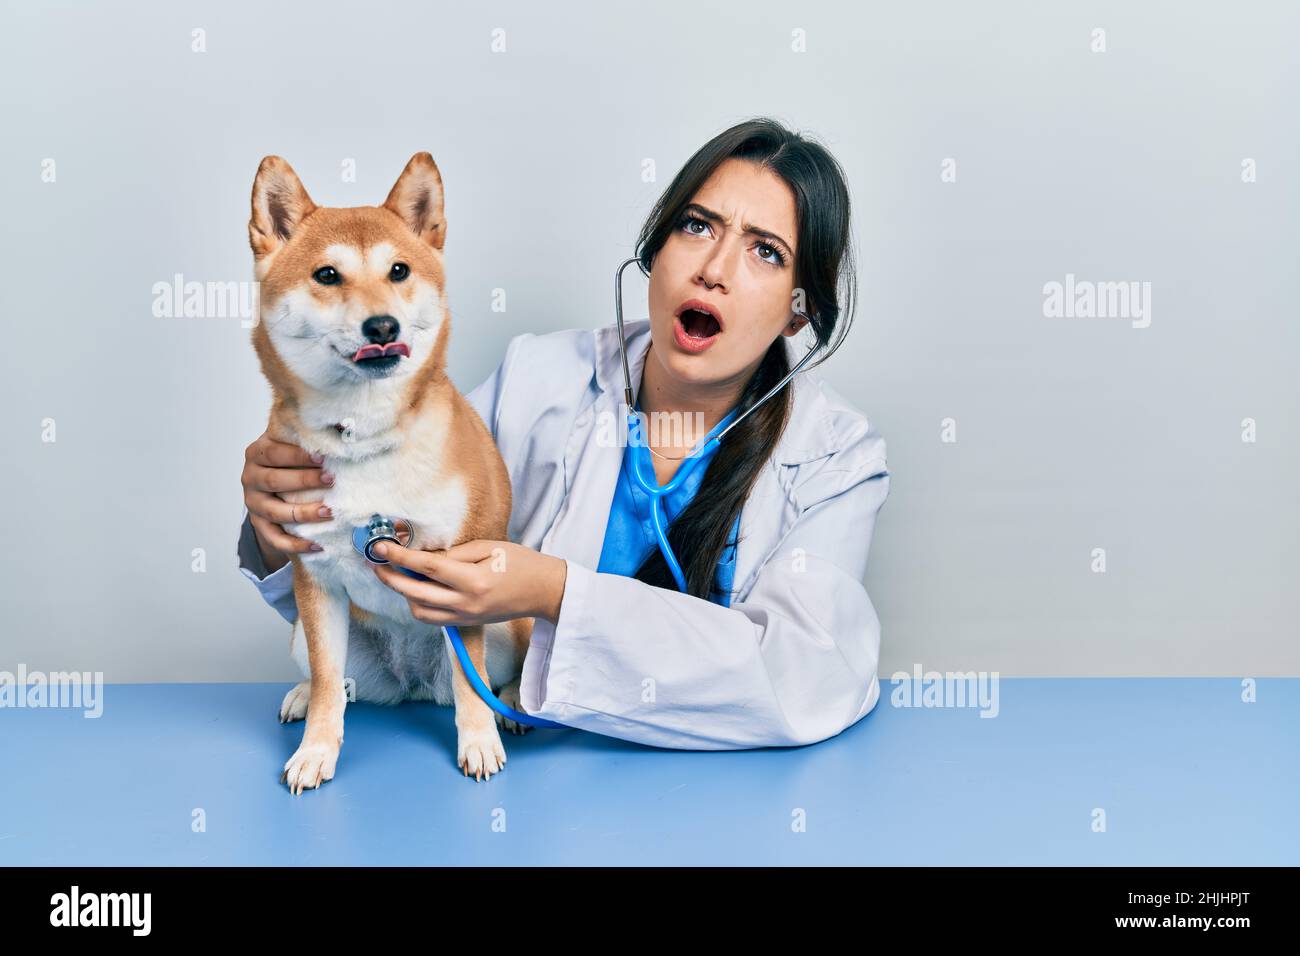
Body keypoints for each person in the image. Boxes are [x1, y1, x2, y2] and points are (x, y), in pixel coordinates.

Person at [237, 117, 891, 751]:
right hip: (532, 784)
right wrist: (276, 530)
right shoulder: (539, 377)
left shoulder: (836, 456)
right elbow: (386, 593)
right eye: (697, 226)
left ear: (797, 313)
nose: (714, 268)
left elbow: (806, 679)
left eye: (765, 252)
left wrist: (554, 591)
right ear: (655, 249)